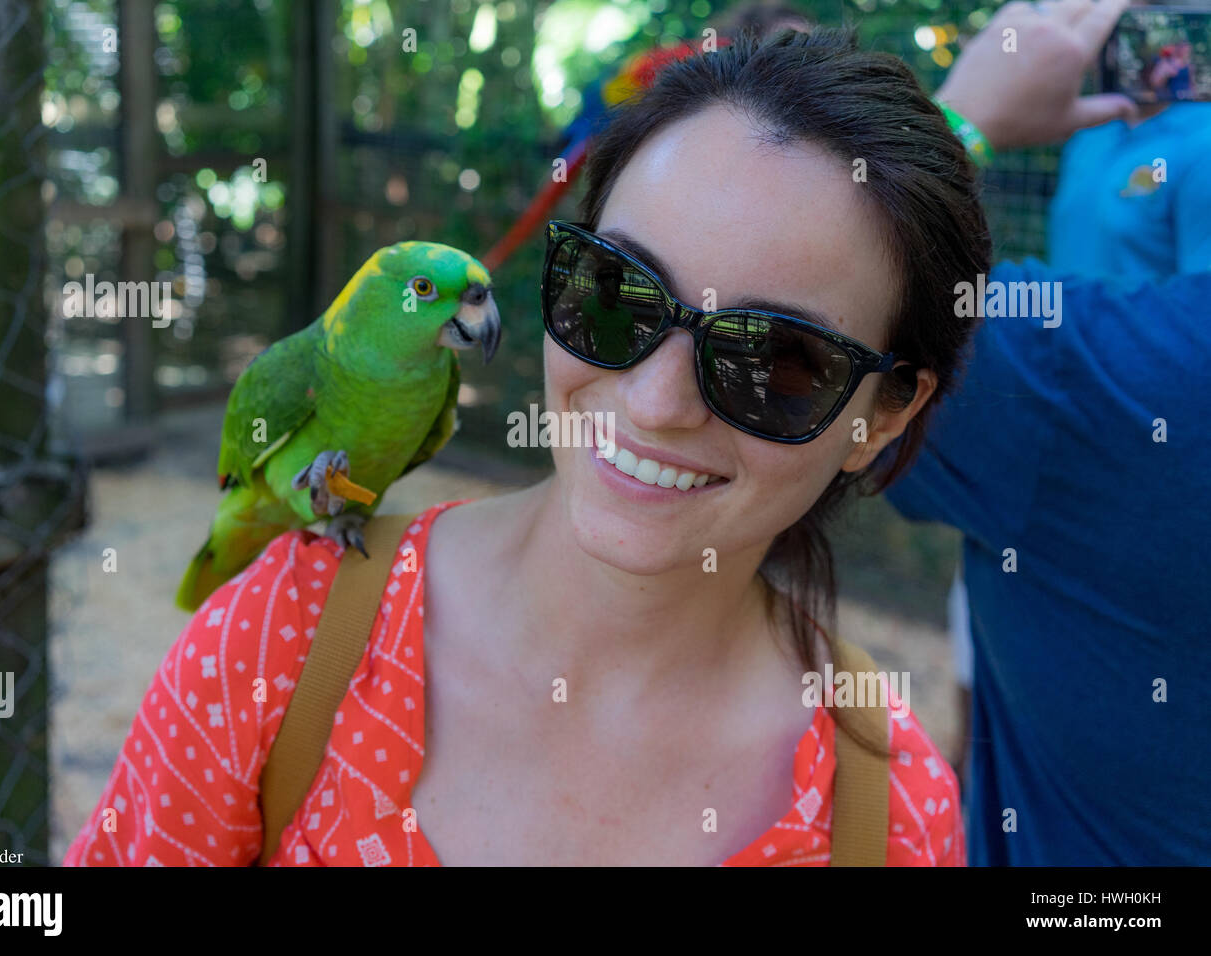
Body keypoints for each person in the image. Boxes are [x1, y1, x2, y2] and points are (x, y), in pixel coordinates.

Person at [64, 24, 987, 867]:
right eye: (615, 289)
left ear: (886, 416)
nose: (657, 402)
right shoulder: (277, 640)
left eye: (781, 359)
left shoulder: (892, 814)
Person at [887, 0, 1211, 865]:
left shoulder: (1060, 377)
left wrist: (954, 126)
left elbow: (785, 316)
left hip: (1081, 431)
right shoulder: (1097, 141)